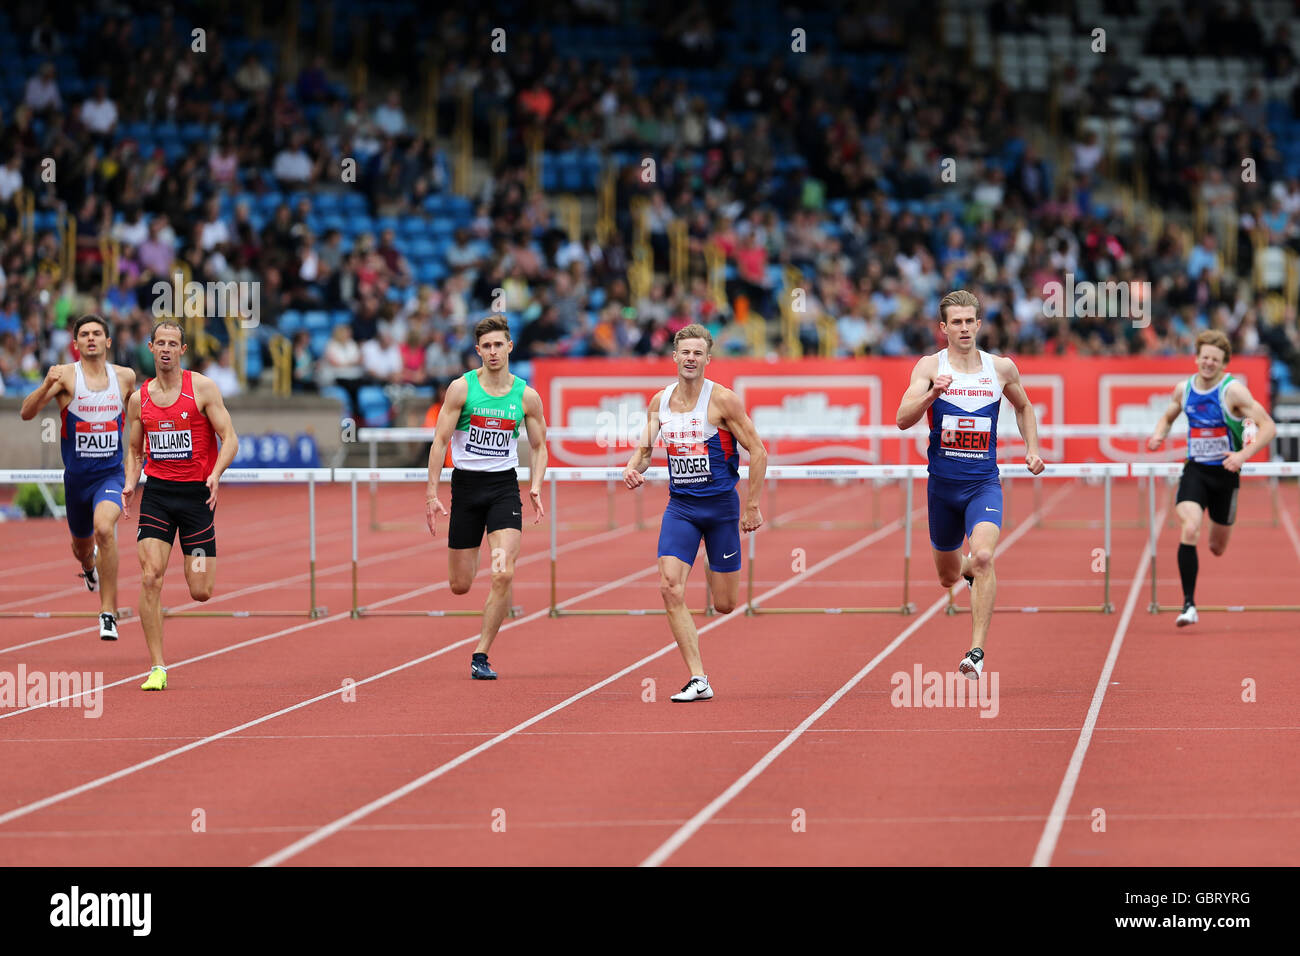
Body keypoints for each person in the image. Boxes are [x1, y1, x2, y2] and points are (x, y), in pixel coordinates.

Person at [895, 290, 1044, 680]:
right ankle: (965, 574)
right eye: (955, 322)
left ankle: (976, 650)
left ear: (979, 324)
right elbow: (901, 418)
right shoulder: (930, 366)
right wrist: (933, 394)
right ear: (943, 328)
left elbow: (1024, 406)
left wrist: (1032, 449)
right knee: (948, 575)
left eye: (969, 321)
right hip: (942, 489)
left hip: (983, 485)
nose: (963, 328)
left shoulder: (1001, 368)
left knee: (982, 557)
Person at [622, 323, 768, 702]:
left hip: (721, 510)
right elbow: (644, 447)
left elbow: (759, 451)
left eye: (697, 353)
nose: (690, 358)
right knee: (669, 586)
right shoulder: (659, 401)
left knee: (725, 604)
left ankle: (712, 562)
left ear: (707, 358)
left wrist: (751, 505)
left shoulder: (723, 401)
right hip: (681, 508)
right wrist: (632, 466)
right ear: (674, 357)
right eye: (684, 352)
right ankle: (698, 678)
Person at [424, 316, 548, 680]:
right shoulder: (461, 389)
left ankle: (481, 653)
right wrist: (431, 493)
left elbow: (540, 447)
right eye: (486, 346)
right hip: (465, 488)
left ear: (510, 347)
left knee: (502, 572)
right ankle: (479, 561)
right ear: (478, 351)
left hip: (503, 489)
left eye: (499, 345)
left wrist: (536, 484)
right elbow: (439, 442)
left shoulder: (526, 396)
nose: (493, 352)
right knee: (460, 585)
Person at [121, 321, 239, 691]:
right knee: (150, 576)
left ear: (183, 350)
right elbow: (134, 449)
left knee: (200, 589)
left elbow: (230, 438)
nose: (167, 349)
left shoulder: (202, 388)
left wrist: (216, 473)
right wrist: (129, 481)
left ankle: (193, 562)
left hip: (196, 499)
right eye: (161, 343)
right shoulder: (140, 399)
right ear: (151, 348)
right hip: (157, 496)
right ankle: (157, 666)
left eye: (173, 343)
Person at [1146, 329, 1277, 626]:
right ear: (1196, 358)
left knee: (1217, 548)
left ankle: (1213, 530)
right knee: (1190, 527)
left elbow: (1268, 427)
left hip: (1226, 475)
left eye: (1214, 360)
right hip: (1195, 471)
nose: (1208, 363)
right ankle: (1188, 605)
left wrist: (1242, 456)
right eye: (1204, 357)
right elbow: (1168, 416)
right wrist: (1158, 434)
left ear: (1224, 364)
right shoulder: (1184, 389)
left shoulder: (1233, 392)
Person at [19, 314, 135, 639]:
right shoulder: (66, 377)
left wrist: (136, 462)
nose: (91, 338)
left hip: (109, 477)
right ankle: (88, 567)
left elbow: (139, 419)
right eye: (84, 334)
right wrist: (45, 385)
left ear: (108, 341)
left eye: (97, 333)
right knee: (82, 548)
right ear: (76, 343)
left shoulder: (125, 377)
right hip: (76, 482)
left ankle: (107, 612)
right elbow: (27, 413)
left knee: (105, 529)